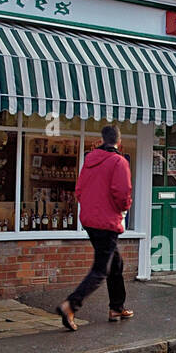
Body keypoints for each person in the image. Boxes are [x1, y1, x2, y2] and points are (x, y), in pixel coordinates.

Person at [57, 125, 133, 330]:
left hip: (90, 220)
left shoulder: (89, 160)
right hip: (107, 222)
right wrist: (124, 208)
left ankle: (117, 306)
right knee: (101, 269)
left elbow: (79, 190)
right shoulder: (120, 162)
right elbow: (123, 194)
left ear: (102, 140)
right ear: (119, 141)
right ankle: (71, 305)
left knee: (115, 262)